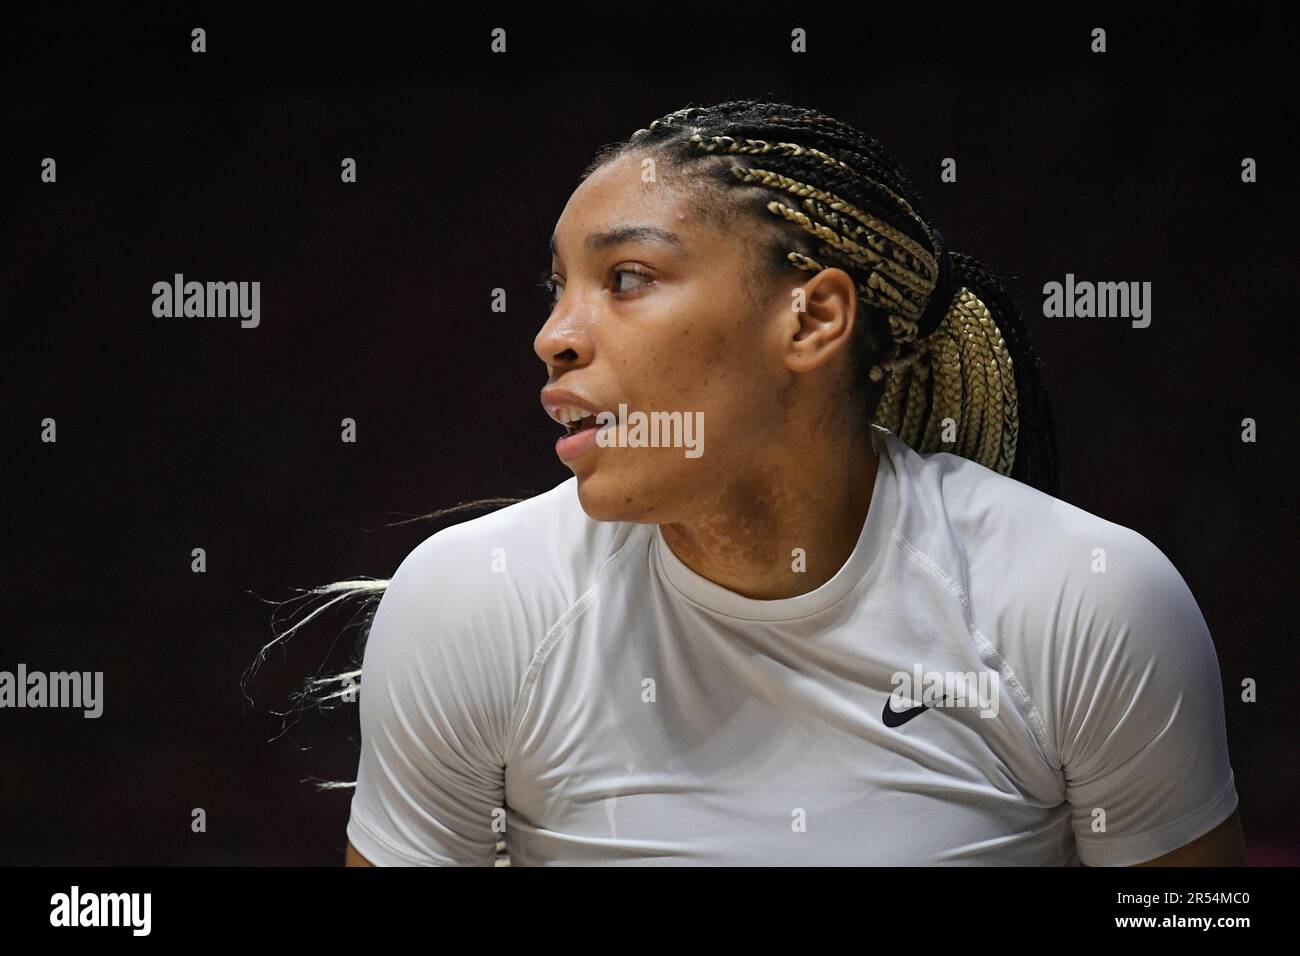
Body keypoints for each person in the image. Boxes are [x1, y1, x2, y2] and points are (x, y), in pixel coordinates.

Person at [328, 101, 1241, 865]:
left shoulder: (1085, 599)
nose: (556, 335)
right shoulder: (471, 601)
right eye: (559, 287)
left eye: (628, 277)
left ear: (813, 319)